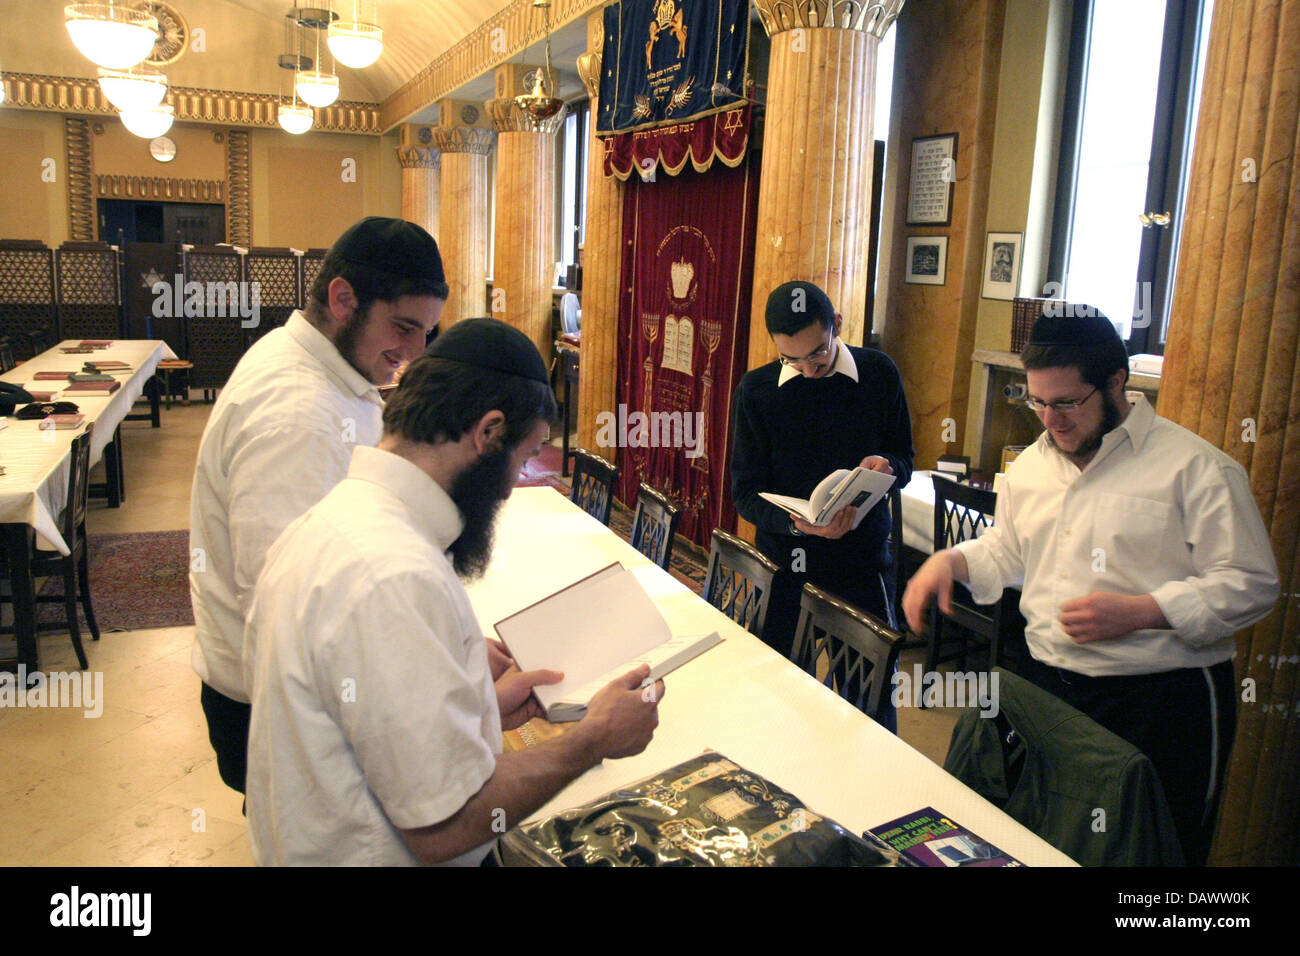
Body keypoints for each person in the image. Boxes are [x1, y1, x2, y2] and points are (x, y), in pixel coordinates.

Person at [242, 319, 664, 865]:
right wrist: (595, 739)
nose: (515, 483)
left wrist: (475, 705)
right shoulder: (394, 576)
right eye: (524, 455)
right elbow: (446, 824)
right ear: (488, 433)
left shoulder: (333, 521)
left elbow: (361, 719)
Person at [902, 308, 1279, 865]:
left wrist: (1144, 611)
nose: (1050, 420)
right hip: (1051, 688)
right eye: (1037, 402)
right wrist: (952, 560)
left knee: (1152, 852)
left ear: (1116, 383)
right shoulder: (1033, 465)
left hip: (1160, 698)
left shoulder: (1195, 468)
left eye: (1066, 403)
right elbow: (1010, 551)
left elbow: (1252, 583)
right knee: (1054, 836)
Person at [190, 216, 447, 795]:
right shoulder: (297, 413)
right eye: (404, 327)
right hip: (277, 704)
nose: (413, 352)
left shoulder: (314, 365)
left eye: (426, 333)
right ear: (342, 298)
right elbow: (285, 605)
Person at [730, 280, 915, 666]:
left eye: (818, 353)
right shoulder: (757, 391)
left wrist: (889, 465)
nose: (809, 371)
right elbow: (745, 494)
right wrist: (799, 525)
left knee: (869, 701)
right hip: (786, 561)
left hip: (861, 562)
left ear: (837, 324)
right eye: (791, 359)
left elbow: (904, 458)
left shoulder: (878, 373)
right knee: (778, 692)